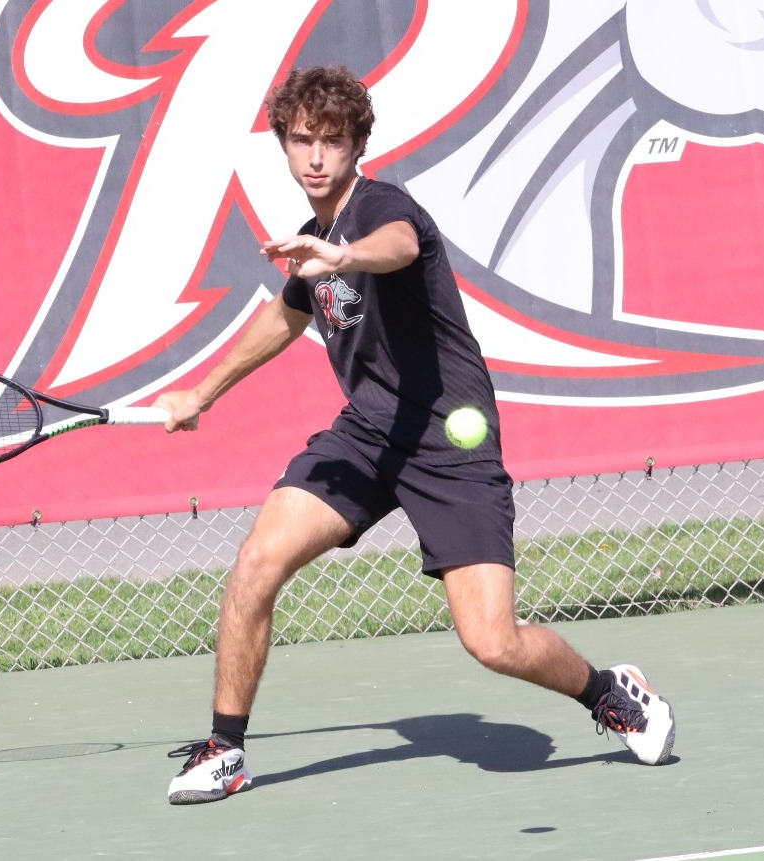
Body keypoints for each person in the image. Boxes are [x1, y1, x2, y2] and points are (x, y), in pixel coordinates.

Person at [153, 66, 674, 805]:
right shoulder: (312, 240)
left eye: (331, 142)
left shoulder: (380, 210)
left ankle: (612, 694)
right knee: (255, 562)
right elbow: (285, 316)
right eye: (301, 140)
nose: (315, 158)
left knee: (492, 641)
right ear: (284, 144)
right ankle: (225, 749)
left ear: (355, 145)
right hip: (366, 435)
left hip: (448, 446)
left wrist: (345, 254)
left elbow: (394, 245)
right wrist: (200, 392)